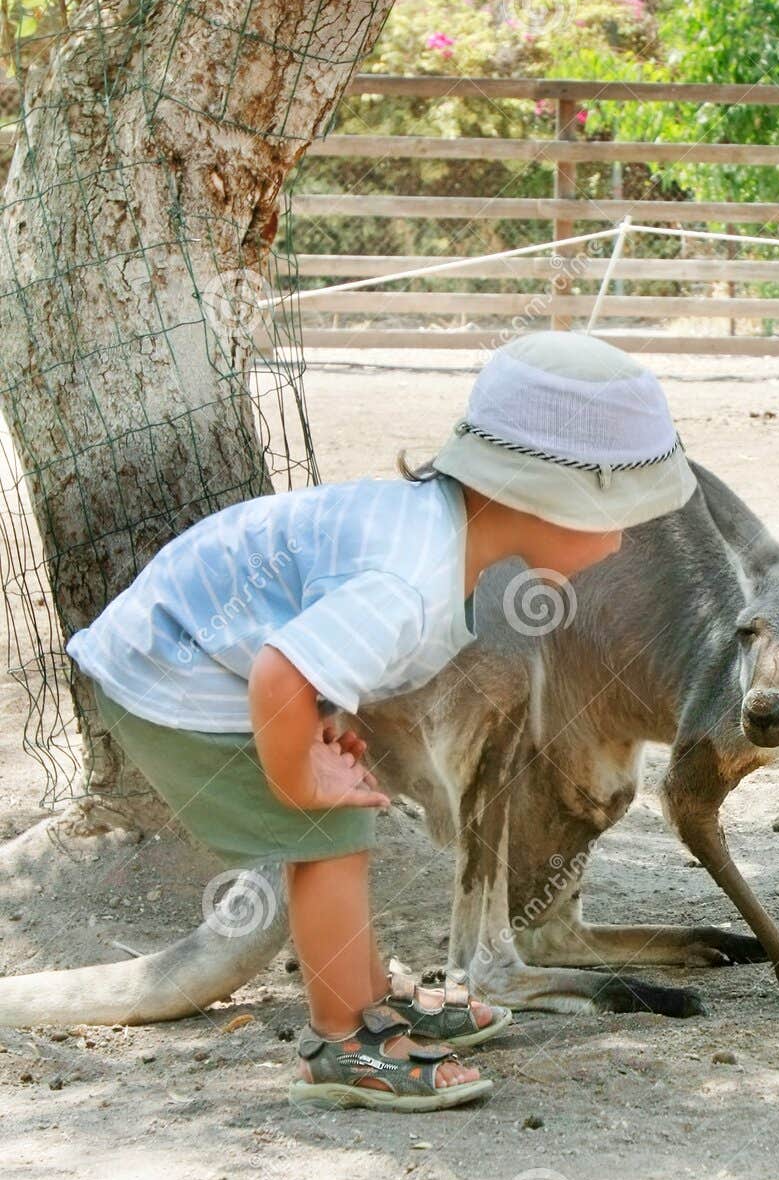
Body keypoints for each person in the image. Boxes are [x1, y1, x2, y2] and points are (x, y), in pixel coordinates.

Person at [65, 331, 697, 1112]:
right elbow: (281, 672)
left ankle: (368, 1003)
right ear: (540, 499)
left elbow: (308, 643)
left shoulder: (437, 535)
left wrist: (321, 723)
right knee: (324, 835)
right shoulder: (412, 582)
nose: (625, 538)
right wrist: (300, 775)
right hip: (173, 674)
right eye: (616, 511)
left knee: (337, 831)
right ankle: (345, 1043)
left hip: (200, 653)